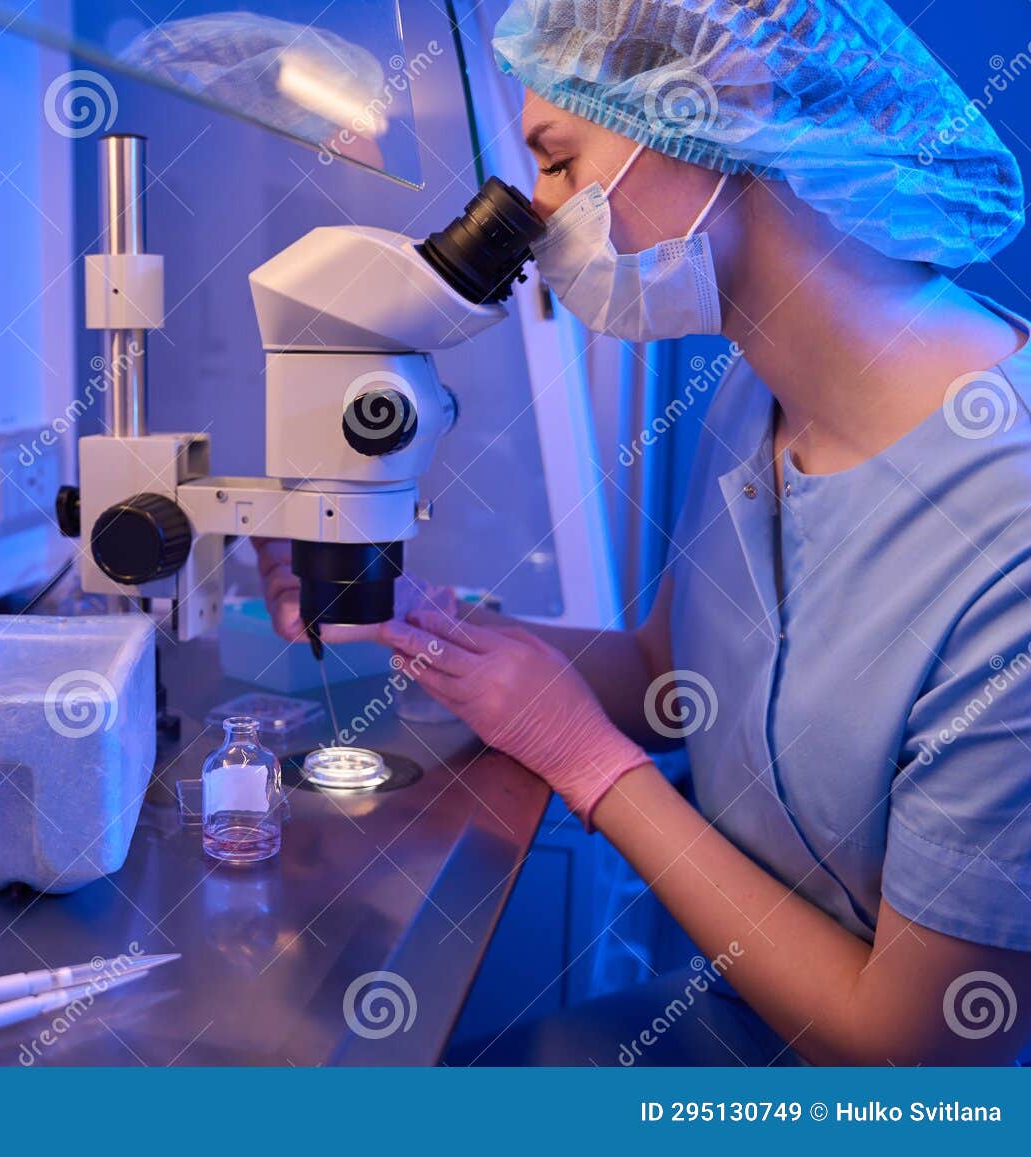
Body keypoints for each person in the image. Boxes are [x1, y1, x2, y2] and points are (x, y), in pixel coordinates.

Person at [256, 0, 1031, 1065]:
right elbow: (671, 675)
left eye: (559, 164)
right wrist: (407, 618)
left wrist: (586, 760)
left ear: (728, 111)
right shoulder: (757, 400)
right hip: (738, 1022)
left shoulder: (1010, 539)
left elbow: (919, 1046)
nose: (533, 215)